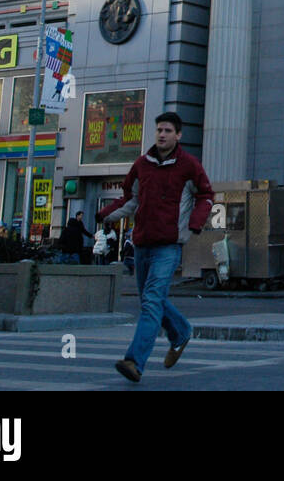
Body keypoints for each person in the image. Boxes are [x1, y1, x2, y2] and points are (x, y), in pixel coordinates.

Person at [98, 112, 214, 382]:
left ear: (178, 135)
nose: (162, 135)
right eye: (159, 130)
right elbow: (129, 198)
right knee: (152, 300)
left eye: (167, 131)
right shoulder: (142, 164)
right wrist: (104, 215)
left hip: (169, 246)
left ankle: (134, 361)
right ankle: (181, 331)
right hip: (142, 243)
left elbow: (206, 195)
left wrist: (195, 223)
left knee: (151, 301)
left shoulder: (188, 165)